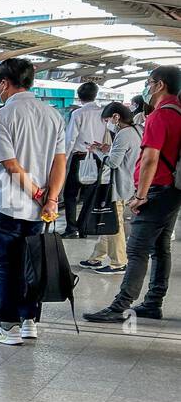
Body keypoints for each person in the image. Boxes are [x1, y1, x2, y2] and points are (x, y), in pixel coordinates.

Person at [84, 66, 181, 322]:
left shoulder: (161, 116)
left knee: (137, 249)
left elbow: (150, 159)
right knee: (161, 249)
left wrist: (141, 194)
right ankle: (152, 302)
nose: (148, 88)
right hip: (171, 191)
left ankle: (120, 306)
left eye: (149, 83)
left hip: (157, 191)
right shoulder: (178, 113)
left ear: (160, 85)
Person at [0, 57, 66, 345]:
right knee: (33, 264)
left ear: (4, 83)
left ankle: (7, 326)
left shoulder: (1, 117)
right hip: (39, 211)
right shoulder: (53, 116)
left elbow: (12, 166)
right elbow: (59, 163)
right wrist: (50, 199)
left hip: (7, 205)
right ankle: (29, 321)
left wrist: (39, 194)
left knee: (7, 267)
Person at [80, 102, 141, 277]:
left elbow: (113, 162)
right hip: (130, 181)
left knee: (115, 224)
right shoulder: (136, 130)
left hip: (119, 184)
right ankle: (96, 257)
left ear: (116, 117)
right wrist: (106, 148)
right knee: (108, 220)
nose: (107, 124)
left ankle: (119, 263)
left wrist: (96, 151)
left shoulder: (123, 134)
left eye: (107, 120)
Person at [63, 81, 106, 238]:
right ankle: (84, 228)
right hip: (97, 157)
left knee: (70, 194)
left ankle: (71, 228)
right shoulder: (103, 113)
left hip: (79, 157)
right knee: (89, 196)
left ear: (79, 97)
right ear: (95, 95)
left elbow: (70, 139)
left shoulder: (78, 114)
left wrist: (64, 160)